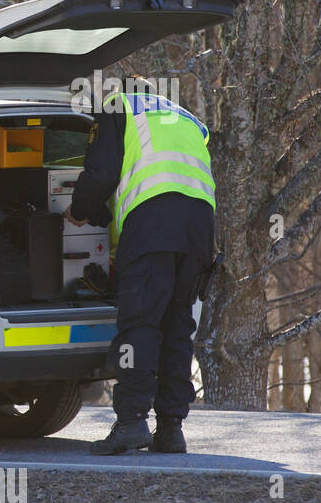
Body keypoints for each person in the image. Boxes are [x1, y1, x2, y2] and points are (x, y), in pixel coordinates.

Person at [64, 91, 216, 455]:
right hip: (200, 228)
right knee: (177, 324)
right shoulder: (186, 116)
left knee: (141, 324)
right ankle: (170, 429)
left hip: (153, 227)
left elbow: (101, 174)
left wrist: (79, 210)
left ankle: (132, 422)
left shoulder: (118, 105)